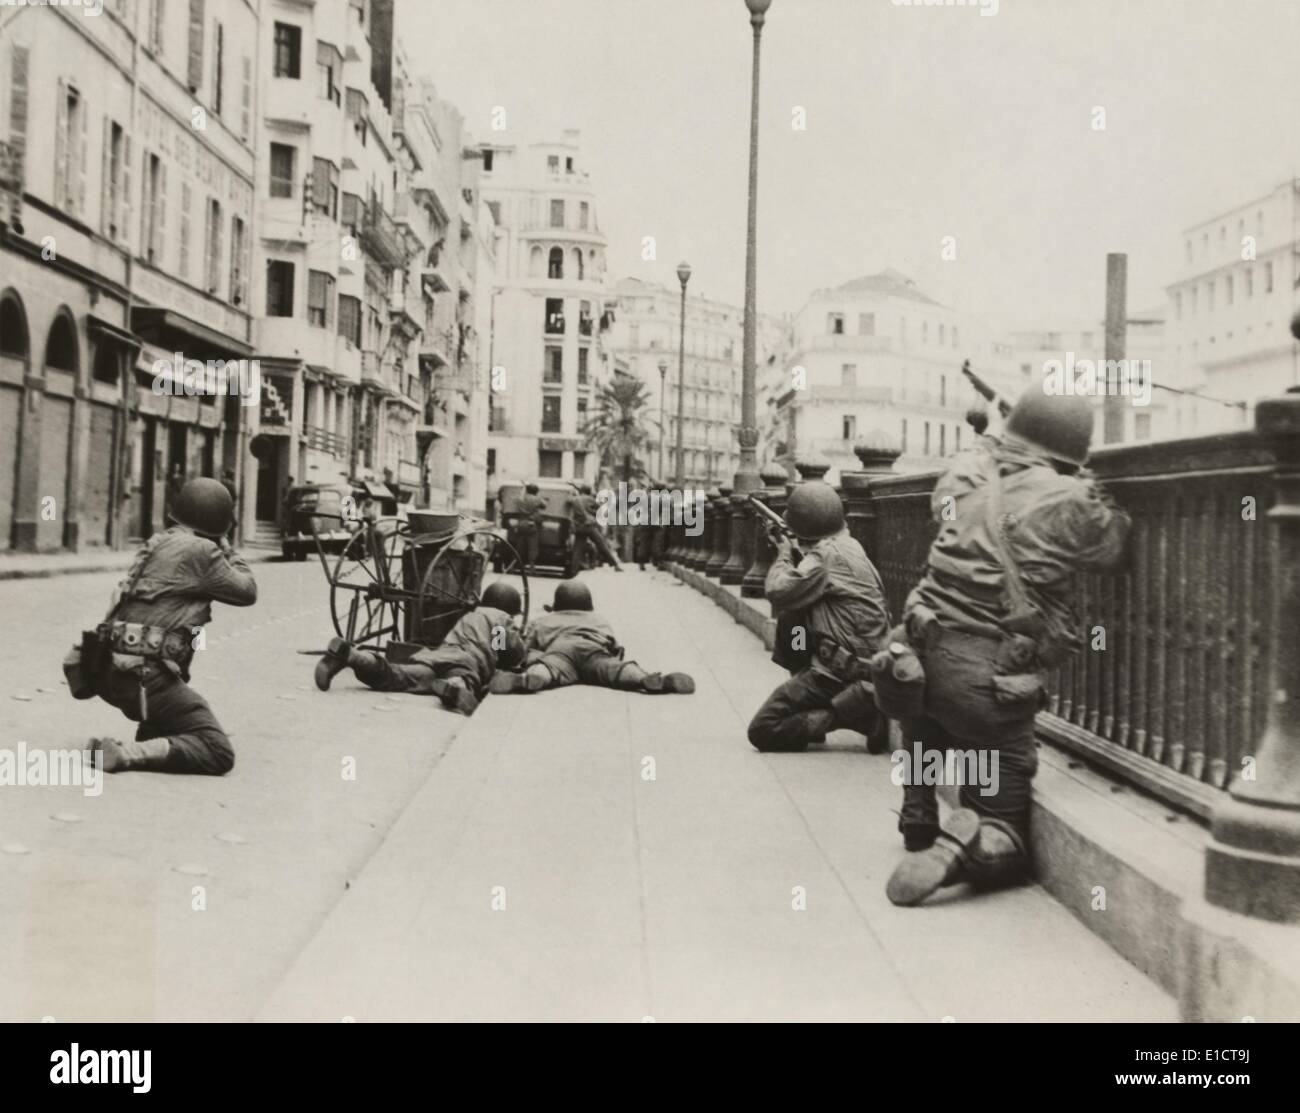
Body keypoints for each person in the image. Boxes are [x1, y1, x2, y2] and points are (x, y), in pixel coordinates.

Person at [882, 387, 1131, 907]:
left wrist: (996, 438)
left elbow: (943, 507)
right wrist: (1084, 484)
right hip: (984, 686)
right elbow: (1113, 546)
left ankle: (918, 808)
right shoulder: (1067, 500)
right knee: (1008, 830)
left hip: (917, 655)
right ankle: (966, 845)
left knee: (926, 705)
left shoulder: (963, 473)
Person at [75, 478, 257, 775]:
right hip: (146, 678)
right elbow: (248, 591)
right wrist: (226, 546)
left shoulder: (158, 542)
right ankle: (124, 755)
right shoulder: (204, 553)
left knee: (173, 728)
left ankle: (153, 735)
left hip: (108, 670)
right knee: (217, 751)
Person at [747, 482, 891, 753]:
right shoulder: (849, 545)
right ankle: (825, 709)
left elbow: (777, 591)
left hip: (840, 673)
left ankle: (855, 715)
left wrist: (783, 553)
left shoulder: (825, 556)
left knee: (763, 729)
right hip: (864, 664)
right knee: (793, 614)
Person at [314, 581, 526, 715]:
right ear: (508, 609)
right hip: (465, 662)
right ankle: (455, 686)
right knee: (467, 679)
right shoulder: (500, 619)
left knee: (397, 675)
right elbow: (505, 652)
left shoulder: (470, 615)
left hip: (437, 657)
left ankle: (351, 655)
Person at [489, 581, 693, 695]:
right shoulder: (599, 619)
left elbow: (525, 649)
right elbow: (614, 647)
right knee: (614, 669)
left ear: (557, 605)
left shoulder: (544, 620)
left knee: (547, 667)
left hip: (561, 651)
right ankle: (644, 678)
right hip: (593, 649)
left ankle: (530, 679)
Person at [570, 482, 622, 571]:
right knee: (602, 545)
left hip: (579, 527)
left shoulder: (574, 500)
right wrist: (592, 512)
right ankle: (614, 565)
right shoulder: (590, 499)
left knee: (577, 549)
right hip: (589, 526)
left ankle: (573, 569)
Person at [512, 482, 547, 572]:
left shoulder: (521, 498)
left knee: (519, 546)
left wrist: (523, 490)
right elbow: (544, 505)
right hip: (531, 525)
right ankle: (532, 567)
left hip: (521, 524)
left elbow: (517, 499)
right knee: (532, 547)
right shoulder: (537, 499)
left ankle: (513, 565)